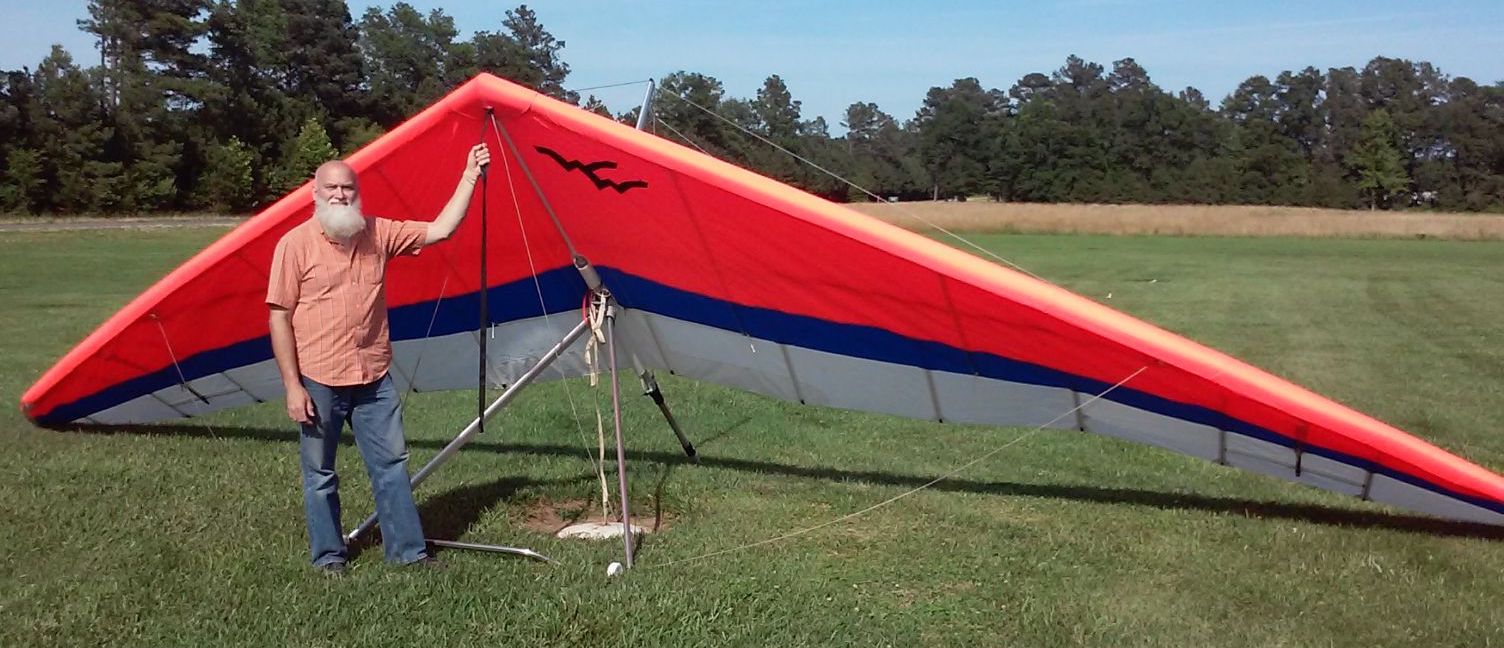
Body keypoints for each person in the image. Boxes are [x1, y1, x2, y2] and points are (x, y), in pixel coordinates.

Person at [266, 143, 491, 575]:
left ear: (357, 192)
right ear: (315, 193)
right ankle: (329, 558)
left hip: (373, 376)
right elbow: (279, 317)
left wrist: (469, 174)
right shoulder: (293, 245)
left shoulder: (378, 233)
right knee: (320, 473)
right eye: (330, 187)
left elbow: (441, 229)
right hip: (319, 378)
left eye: (347, 187)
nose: (339, 194)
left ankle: (408, 552)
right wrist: (293, 386)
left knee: (391, 464)